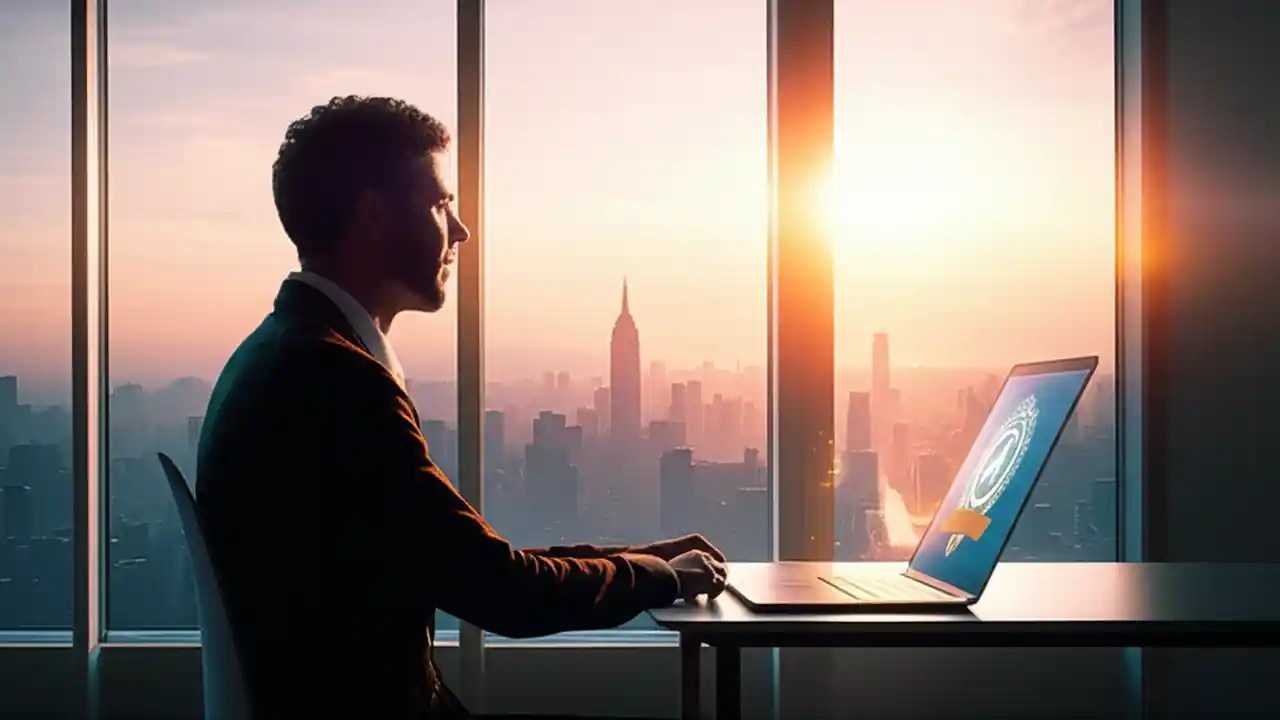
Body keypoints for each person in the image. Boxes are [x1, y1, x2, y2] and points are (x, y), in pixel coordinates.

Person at [194, 95, 729, 719]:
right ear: (373, 215)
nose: (460, 229)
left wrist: (639, 558)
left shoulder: (281, 353)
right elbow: (501, 592)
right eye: (440, 203)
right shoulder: (335, 380)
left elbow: (460, 558)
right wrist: (661, 578)